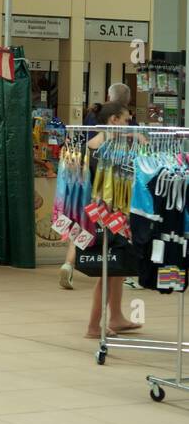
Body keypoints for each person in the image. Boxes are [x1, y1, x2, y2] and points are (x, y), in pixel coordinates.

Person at [57, 101, 144, 337]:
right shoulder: (106, 152)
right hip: (108, 219)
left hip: (101, 218)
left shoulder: (90, 148)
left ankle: (116, 317)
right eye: (127, 120)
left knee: (117, 270)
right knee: (108, 272)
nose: (130, 125)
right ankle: (93, 326)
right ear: (113, 120)